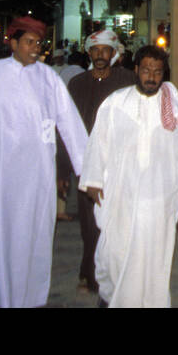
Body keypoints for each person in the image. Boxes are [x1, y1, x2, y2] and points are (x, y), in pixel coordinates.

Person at [0, 15, 89, 308]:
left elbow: (71, 124)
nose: (35, 48)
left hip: (34, 178)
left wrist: (87, 169)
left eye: (38, 43)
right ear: (13, 43)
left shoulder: (48, 78)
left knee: (31, 239)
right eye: (28, 42)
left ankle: (29, 300)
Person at [79, 45, 178, 307]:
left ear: (163, 74)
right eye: (146, 70)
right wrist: (93, 178)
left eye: (157, 72)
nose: (151, 77)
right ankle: (114, 298)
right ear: (136, 70)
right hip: (121, 194)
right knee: (114, 252)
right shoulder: (115, 103)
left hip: (159, 196)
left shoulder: (176, 108)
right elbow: (99, 142)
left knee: (154, 256)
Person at [61, 29, 137, 294]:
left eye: (105, 50)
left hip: (120, 163)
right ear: (89, 53)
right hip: (86, 165)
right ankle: (91, 273)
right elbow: (66, 128)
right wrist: (62, 170)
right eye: (95, 50)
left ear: (114, 52)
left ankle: (119, 273)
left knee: (119, 221)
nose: (100, 54)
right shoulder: (77, 84)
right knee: (89, 225)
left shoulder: (129, 81)